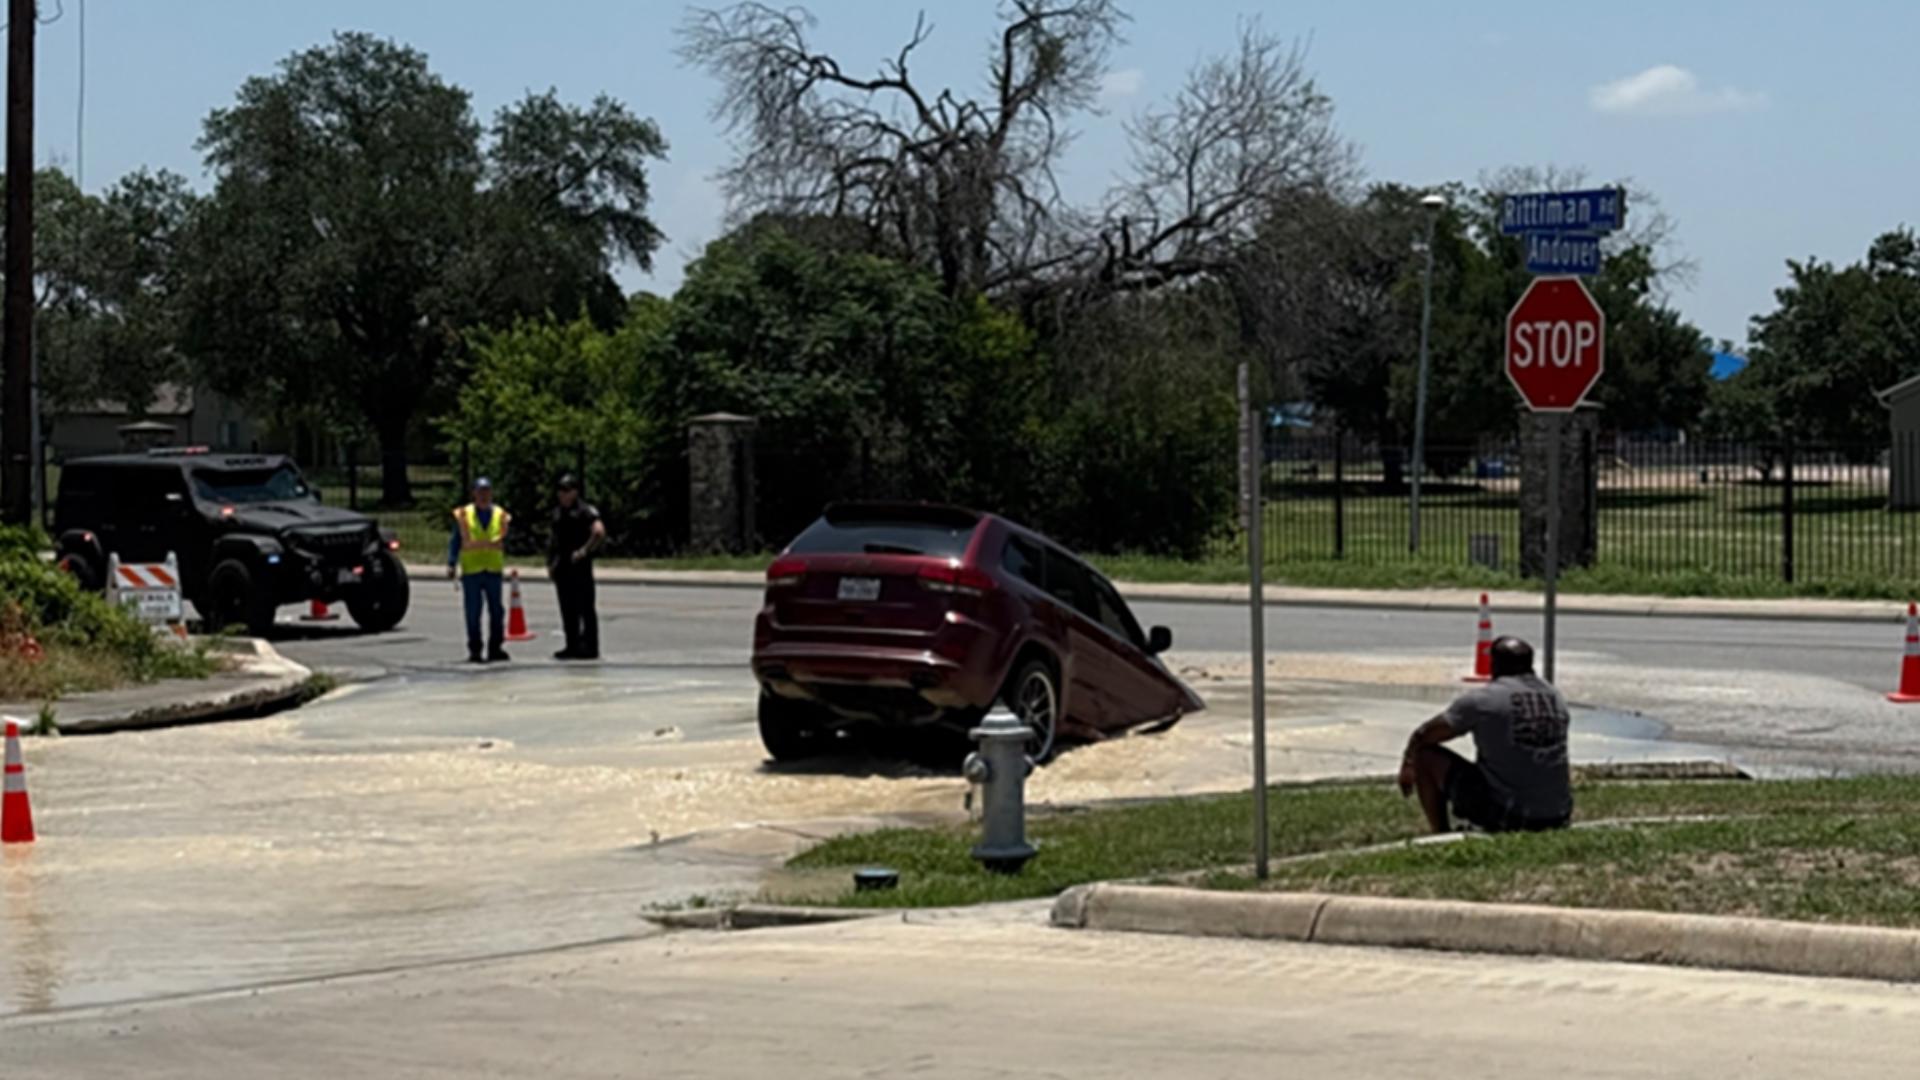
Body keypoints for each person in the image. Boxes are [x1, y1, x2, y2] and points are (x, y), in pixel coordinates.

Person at [1398, 636, 1572, 834]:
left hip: (1507, 815)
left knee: (1425, 754)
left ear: (1494, 664)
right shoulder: (1555, 698)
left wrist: (1408, 762)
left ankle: (1440, 832)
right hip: (1558, 814)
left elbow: (1425, 734)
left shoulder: (1483, 701)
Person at [447, 477, 512, 664]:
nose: (484, 495)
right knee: (473, 612)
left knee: (497, 611)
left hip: (493, 570)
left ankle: (495, 648)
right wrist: (452, 563)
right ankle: (475, 649)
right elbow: (455, 540)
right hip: (472, 570)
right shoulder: (464, 515)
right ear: (474, 493)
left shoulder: (500, 515)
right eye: (480, 491)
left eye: (487, 491)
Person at [548, 473, 606, 660]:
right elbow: (553, 539)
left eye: (567, 490)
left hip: (579, 566)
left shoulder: (585, 510)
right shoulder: (557, 512)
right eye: (560, 490)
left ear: (575, 491)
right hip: (562, 566)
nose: (563, 494)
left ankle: (590, 647)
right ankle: (571, 645)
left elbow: (598, 531)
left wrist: (584, 551)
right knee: (567, 608)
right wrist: (550, 562)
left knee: (585, 608)